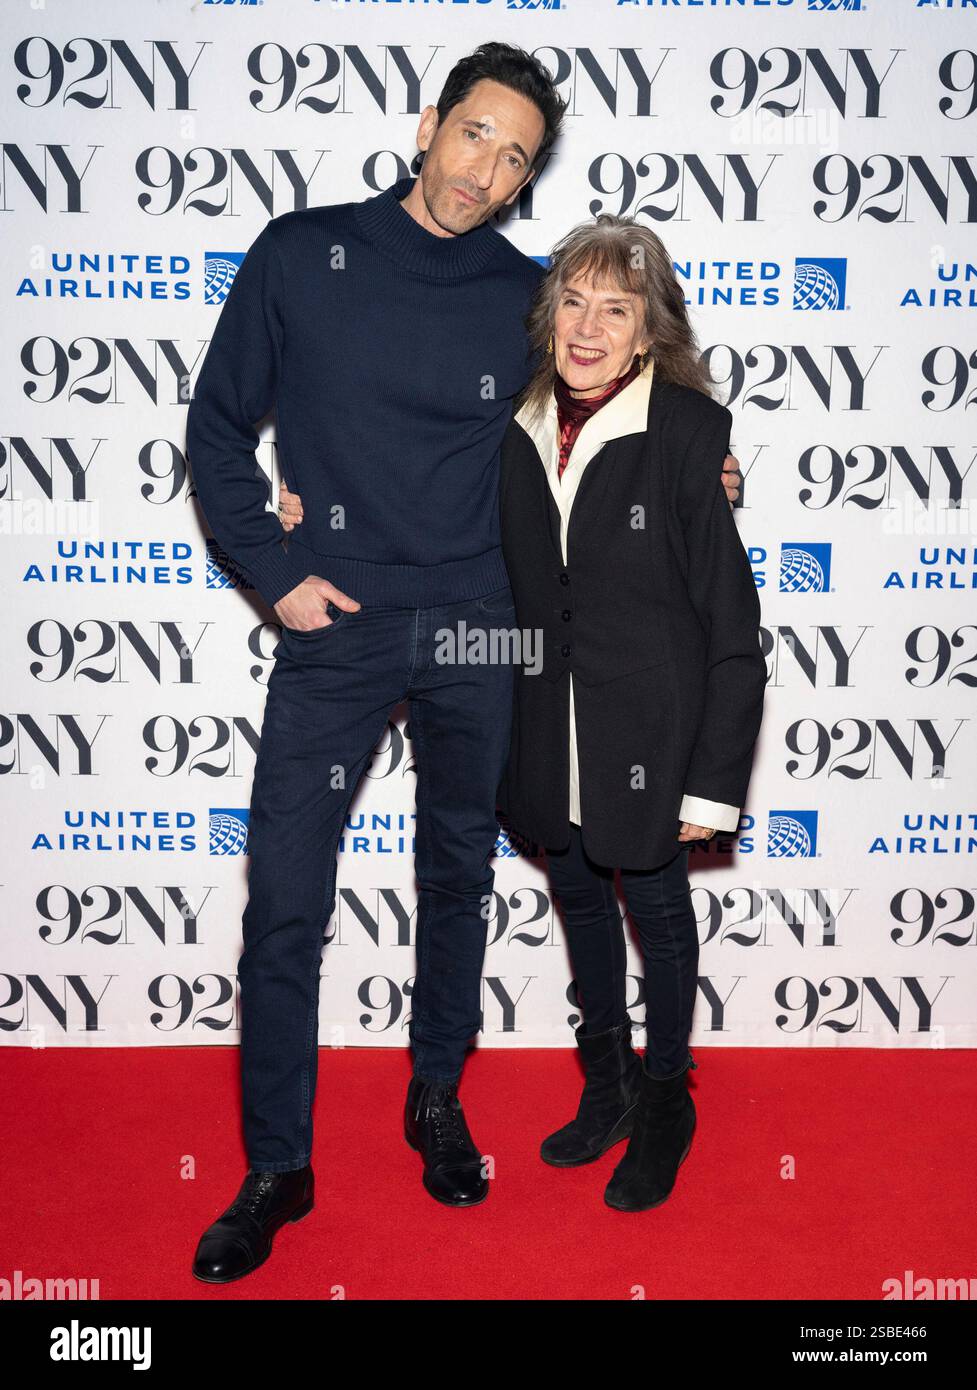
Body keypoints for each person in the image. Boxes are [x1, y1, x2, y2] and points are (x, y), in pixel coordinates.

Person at [187, 44, 742, 1283]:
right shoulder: (300, 252)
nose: (487, 169)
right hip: (335, 625)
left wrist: (709, 465)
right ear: (430, 120)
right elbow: (218, 426)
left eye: (516, 157)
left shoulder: (526, 293)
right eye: (476, 134)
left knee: (457, 877)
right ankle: (276, 1165)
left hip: (482, 627)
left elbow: (625, 384)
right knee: (284, 899)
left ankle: (433, 1094)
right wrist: (274, 573)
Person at [282, 217, 764, 1216]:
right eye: (574, 303)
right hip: (545, 723)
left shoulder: (683, 433)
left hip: (650, 735)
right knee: (582, 898)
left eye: (615, 310)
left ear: (647, 333)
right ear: (548, 318)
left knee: (659, 914)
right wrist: (302, 496)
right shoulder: (510, 422)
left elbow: (731, 631)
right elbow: (402, 470)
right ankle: (608, 1083)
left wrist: (713, 785)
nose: (589, 327)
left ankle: (666, 1100)